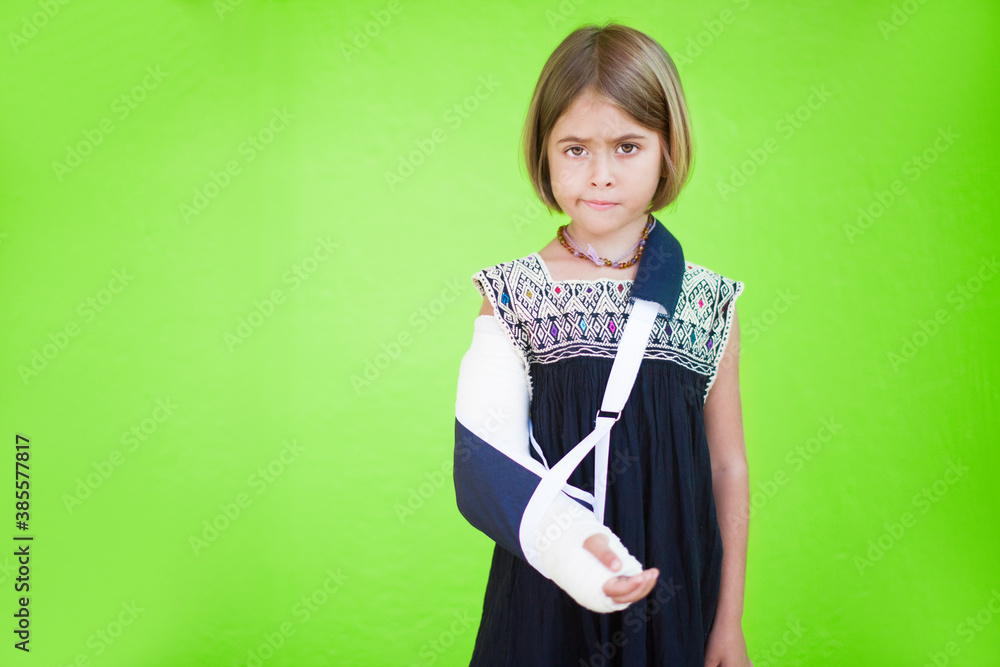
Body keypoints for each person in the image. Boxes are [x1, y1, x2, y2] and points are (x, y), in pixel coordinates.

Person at [453, 22, 752, 666]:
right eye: (575, 149)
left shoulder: (706, 303)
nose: (601, 175)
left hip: (673, 599)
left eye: (627, 146)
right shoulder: (513, 294)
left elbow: (728, 468)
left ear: (667, 150)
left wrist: (728, 623)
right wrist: (573, 552)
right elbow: (483, 464)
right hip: (544, 600)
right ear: (544, 153)